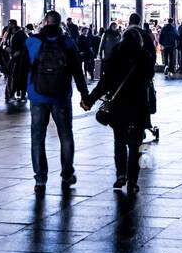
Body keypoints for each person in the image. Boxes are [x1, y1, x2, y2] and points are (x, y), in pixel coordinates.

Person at [85, 13, 155, 192]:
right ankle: (133, 180)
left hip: (119, 107)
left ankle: (120, 176)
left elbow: (105, 83)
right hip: (138, 106)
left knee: (119, 142)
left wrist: (90, 99)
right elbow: (149, 78)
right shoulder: (144, 58)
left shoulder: (116, 57)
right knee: (136, 145)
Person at [27, 10, 90, 194]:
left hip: (38, 97)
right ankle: (67, 173)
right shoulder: (67, 43)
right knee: (65, 134)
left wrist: (18, 90)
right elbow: (78, 71)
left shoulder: (32, 42)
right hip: (61, 96)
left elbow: (22, 68)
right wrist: (84, 95)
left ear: (44, 22)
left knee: (38, 138)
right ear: (60, 23)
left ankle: (40, 179)